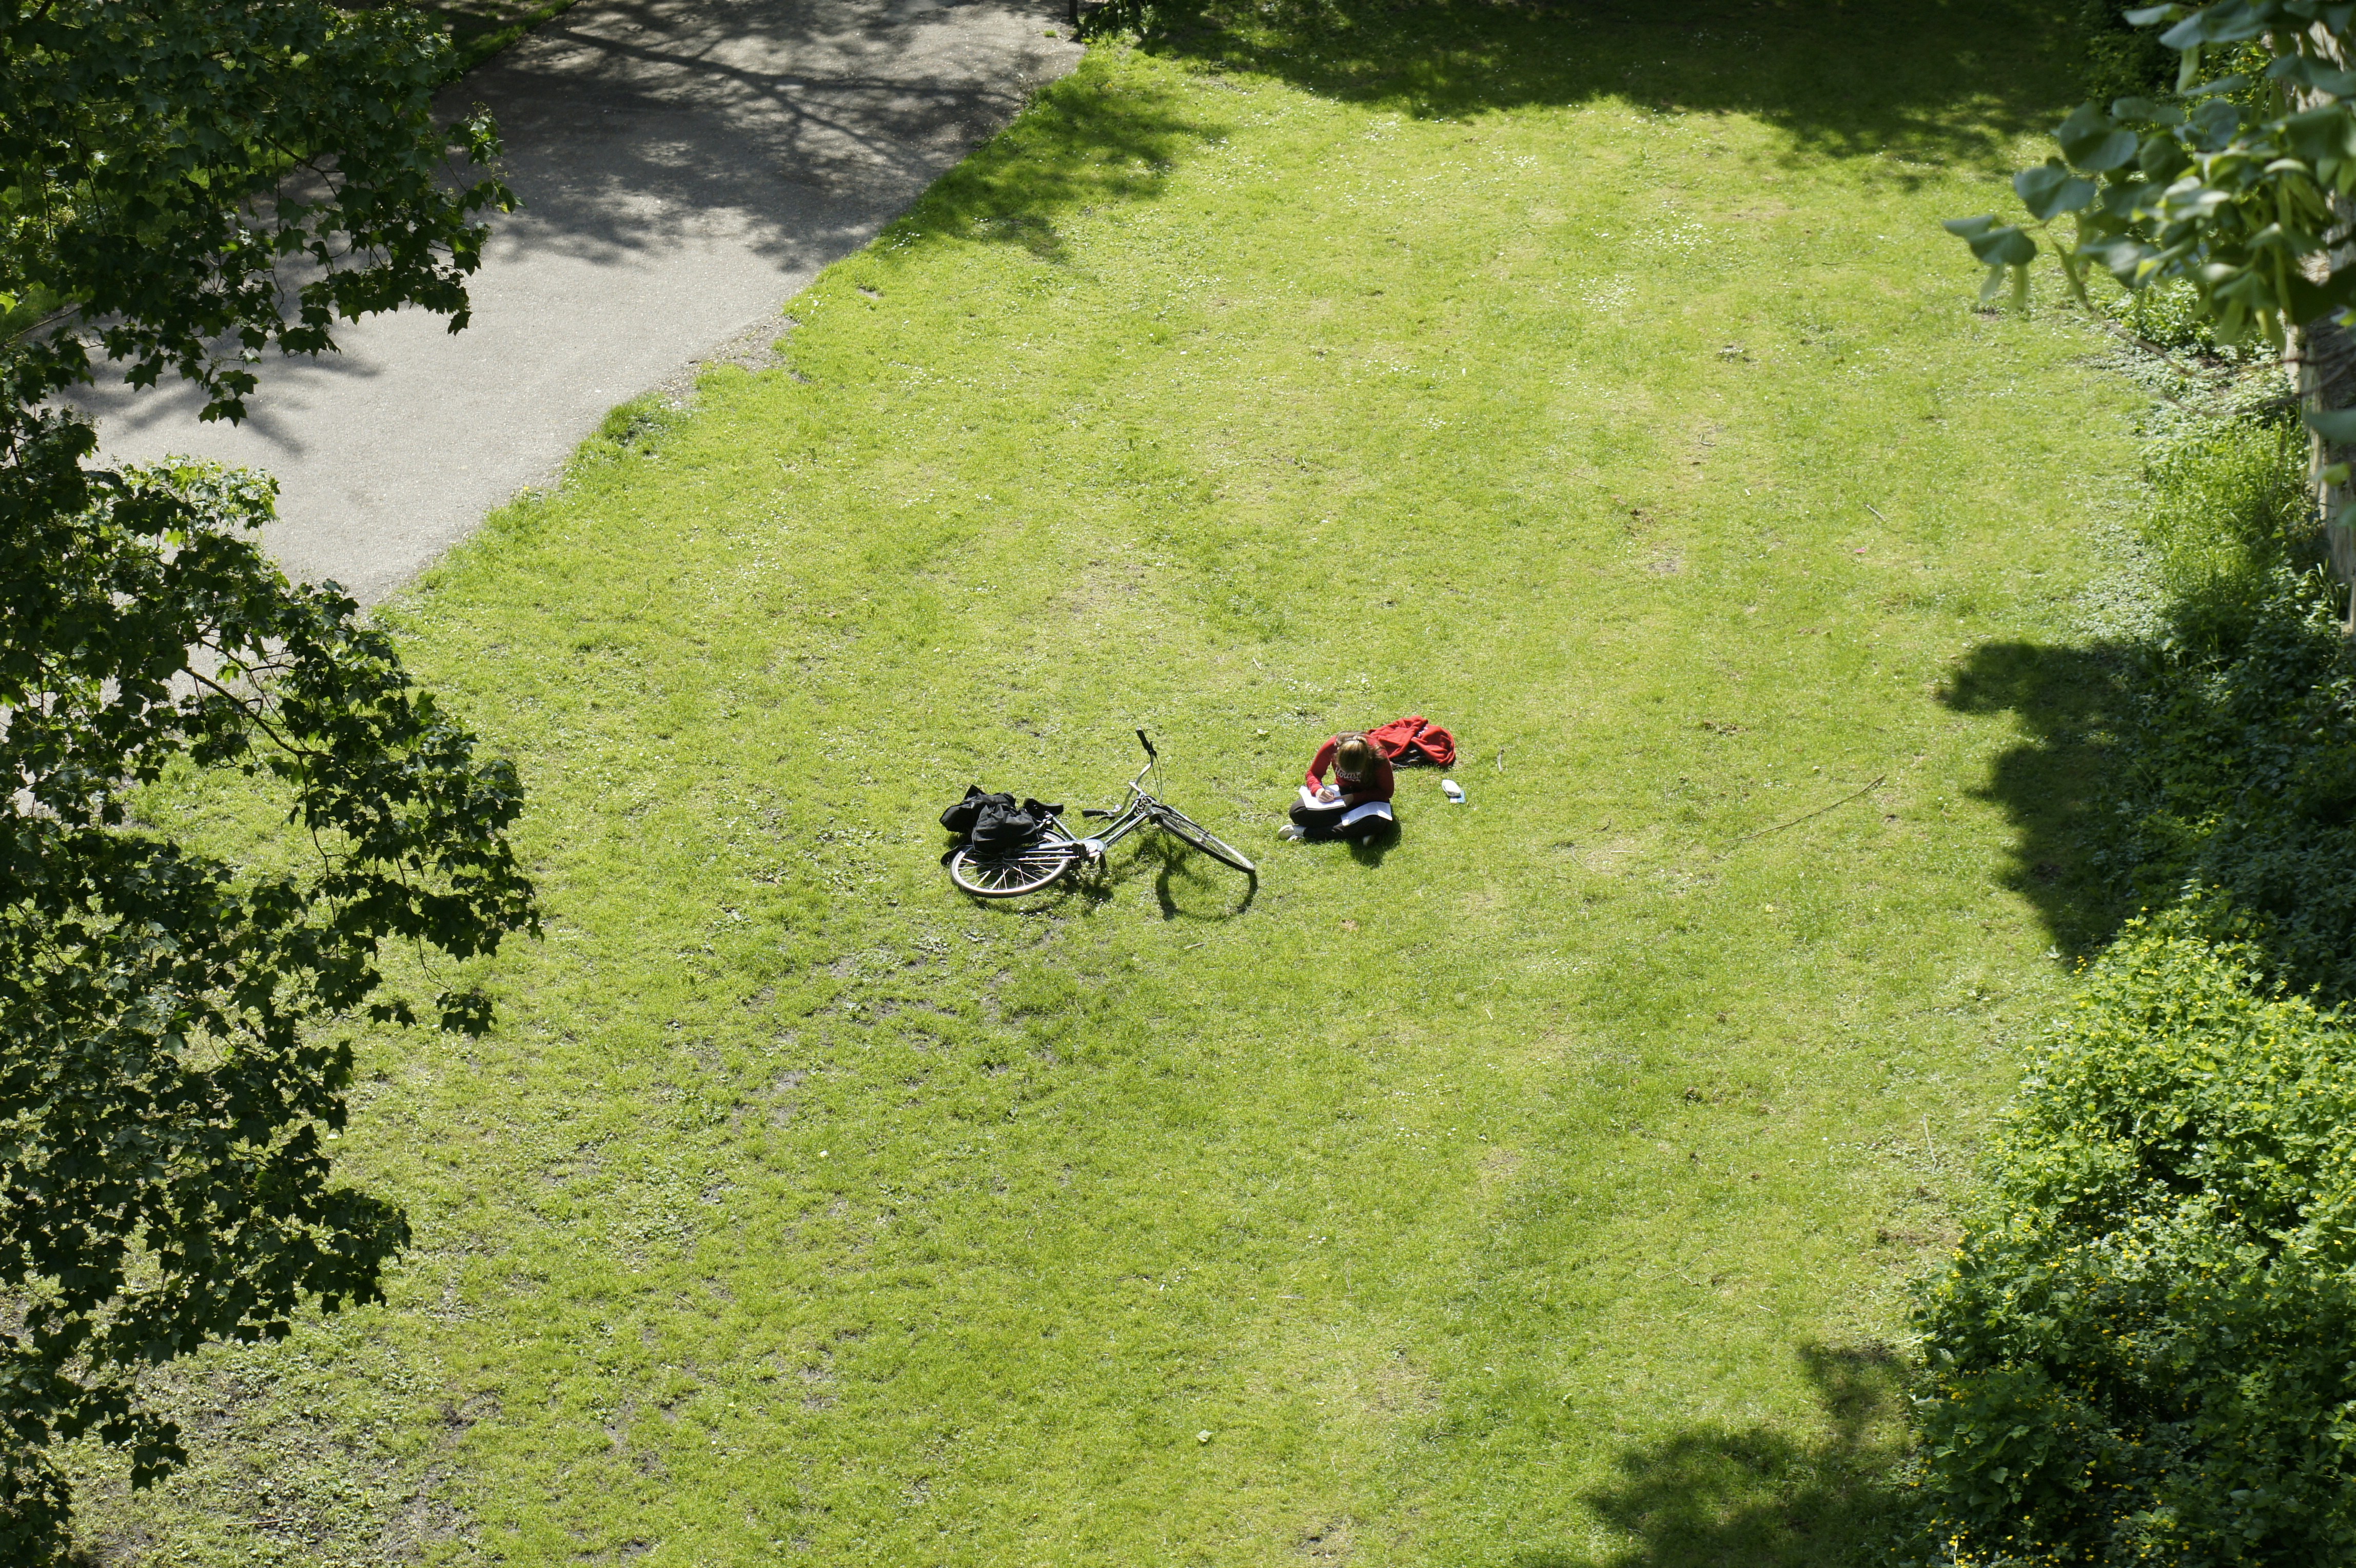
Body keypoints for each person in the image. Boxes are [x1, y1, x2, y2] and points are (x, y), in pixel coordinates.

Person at [1281, 731, 1396, 843]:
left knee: (1376, 823)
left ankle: (1305, 832)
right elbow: (1313, 773)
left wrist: (1355, 798)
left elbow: (1386, 792)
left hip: (1369, 798)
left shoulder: (1378, 756)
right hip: (1341, 794)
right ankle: (1358, 829)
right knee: (1298, 811)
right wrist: (1318, 790)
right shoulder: (1333, 746)